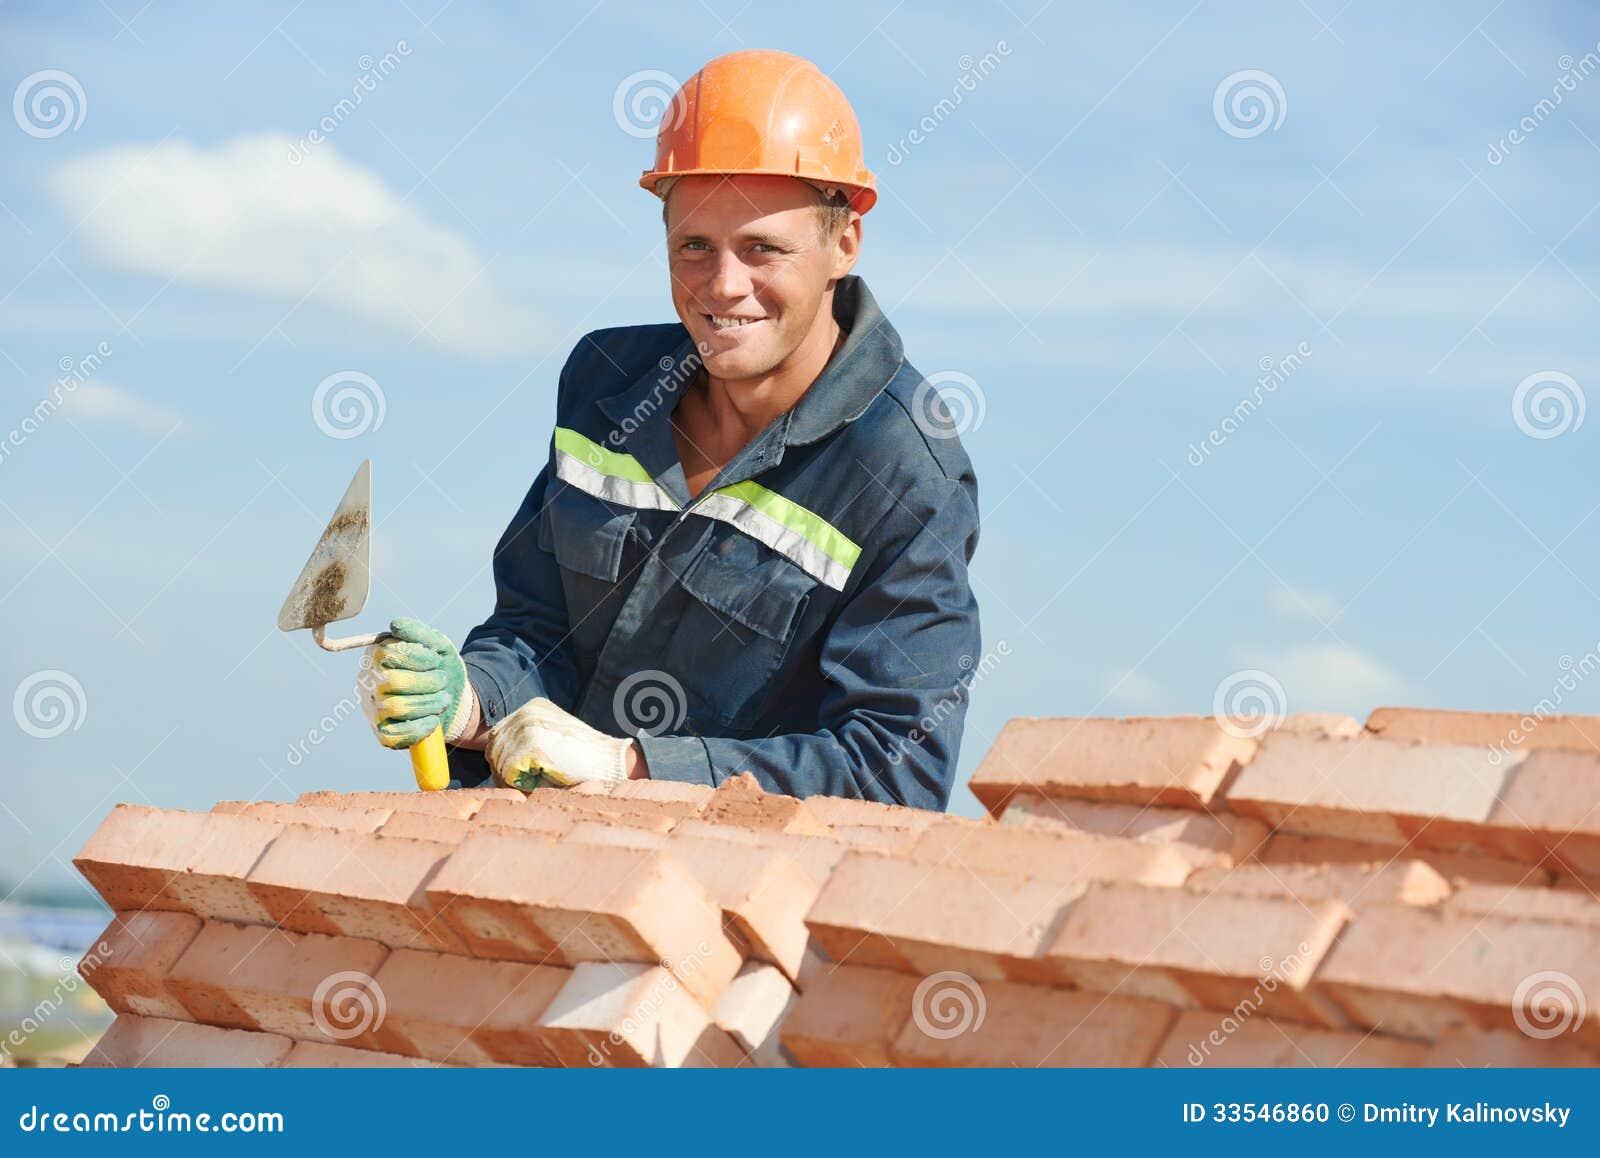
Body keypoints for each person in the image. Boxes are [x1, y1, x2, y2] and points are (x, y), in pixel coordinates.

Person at [362, 49, 980, 809]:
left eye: (763, 248)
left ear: (843, 244)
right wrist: (471, 701)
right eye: (694, 246)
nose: (723, 286)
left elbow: (894, 771)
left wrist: (635, 767)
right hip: (542, 862)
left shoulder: (904, 474)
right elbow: (536, 627)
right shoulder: (606, 389)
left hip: (737, 898)